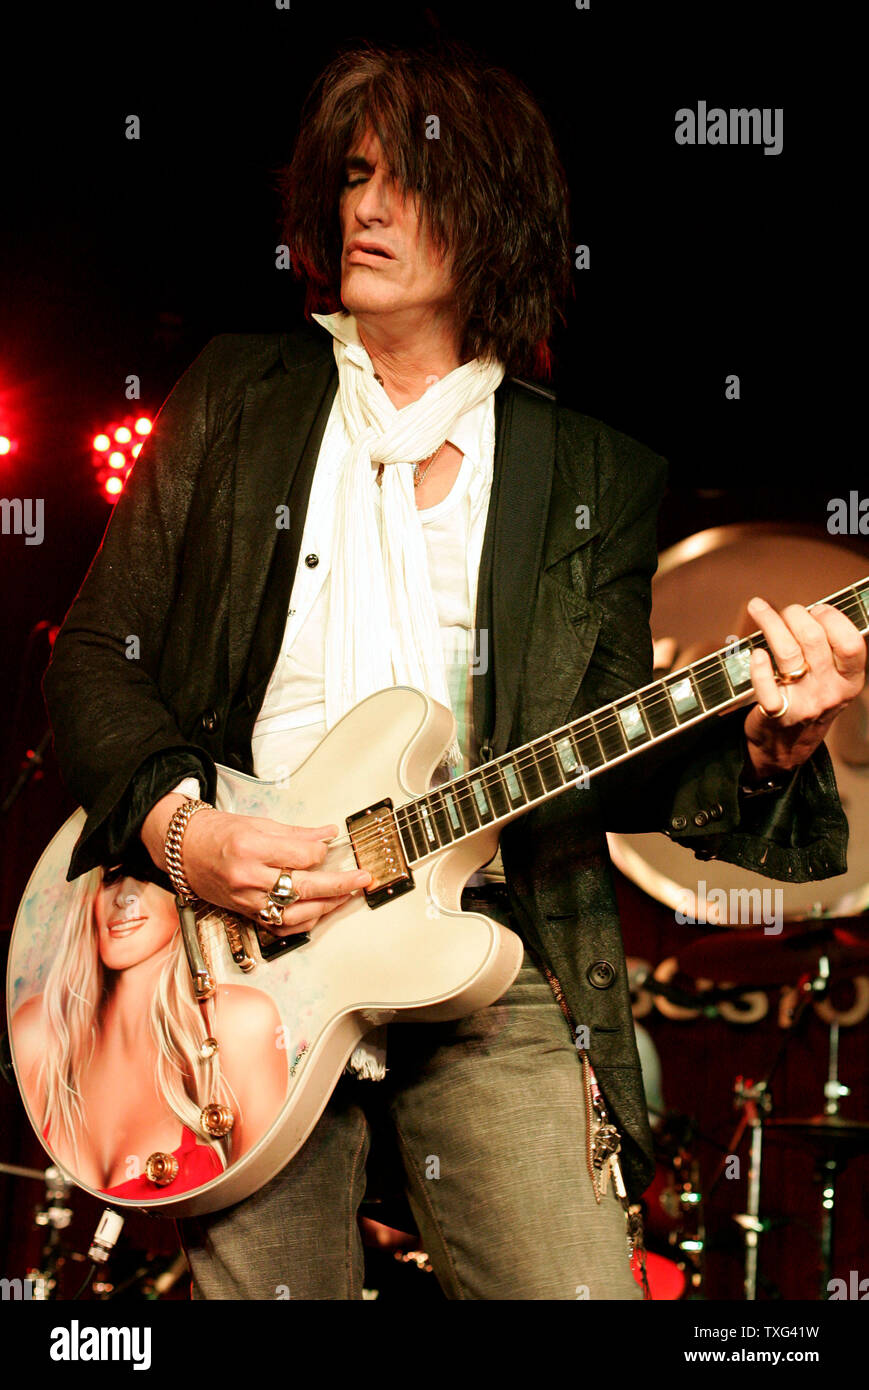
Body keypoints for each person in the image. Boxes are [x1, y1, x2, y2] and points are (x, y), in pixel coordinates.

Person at [43, 39, 865, 1298]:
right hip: (236, 959)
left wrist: (767, 743)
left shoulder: (592, 473)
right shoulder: (234, 396)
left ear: (495, 217)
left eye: (409, 182)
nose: (364, 206)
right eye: (352, 174)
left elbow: (593, 756)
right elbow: (97, 659)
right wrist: (182, 832)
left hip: (480, 933)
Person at [11, 866, 288, 1199]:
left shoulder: (242, 1023)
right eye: (111, 877)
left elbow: (269, 1212)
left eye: (149, 874)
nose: (125, 897)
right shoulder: (39, 1033)